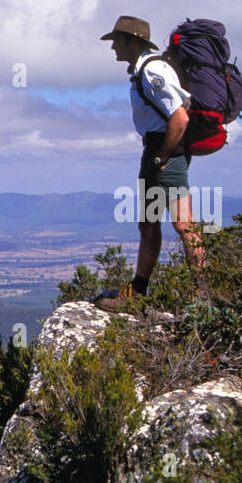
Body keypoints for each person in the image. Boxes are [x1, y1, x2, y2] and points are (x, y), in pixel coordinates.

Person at [95, 16, 204, 312]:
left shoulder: (152, 70)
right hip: (159, 152)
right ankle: (140, 291)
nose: (113, 47)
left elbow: (179, 117)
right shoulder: (144, 70)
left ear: (132, 40)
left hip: (164, 153)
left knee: (183, 225)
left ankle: (202, 295)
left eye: (116, 40)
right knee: (149, 224)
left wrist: (162, 158)